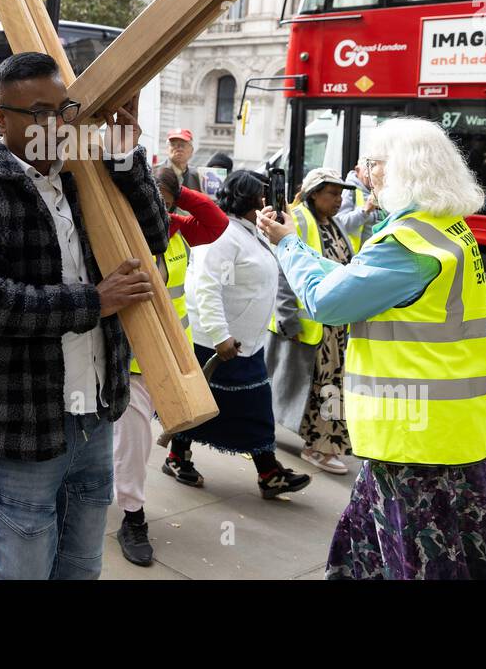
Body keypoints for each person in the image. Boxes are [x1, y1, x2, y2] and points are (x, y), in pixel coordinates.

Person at [0, 51, 167, 580]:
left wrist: (128, 159)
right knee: (21, 573)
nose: (57, 124)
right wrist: (93, 302)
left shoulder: (88, 177)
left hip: (95, 416)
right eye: (39, 112)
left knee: (80, 569)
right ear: (1, 119)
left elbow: (154, 236)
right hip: (21, 422)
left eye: (63, 109)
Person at [259, 117, 486, 580]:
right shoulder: (444, 228)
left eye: (372, 163)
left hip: (415, 439)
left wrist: (288, 249)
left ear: (403, 170)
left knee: (421, 562)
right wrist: (293, 242)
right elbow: (353, 281)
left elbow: (328, 302)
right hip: (450, 429)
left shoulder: (407, 244)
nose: (362, 172)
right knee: (405, 549)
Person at [166, 169, 312, 500]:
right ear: (247, 200)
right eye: (263, 196)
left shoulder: (251, 232)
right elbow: (204, 286)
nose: (269, 203)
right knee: (213, 405)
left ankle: (260, 470)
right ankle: (265, 471)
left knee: (233, 405)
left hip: (246, 341)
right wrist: (220, 335)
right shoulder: (223, 234)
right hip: (217, 342)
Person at [114, 165, 227, 566]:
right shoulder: (119, 228)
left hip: (168, 354)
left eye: (160, 201)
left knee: (139, 435)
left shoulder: (175, 226)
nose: (154, 209)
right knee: (133, 440)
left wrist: (175, 194)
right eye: (147, 199)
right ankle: (132, 514)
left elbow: (215, 223)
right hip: (128, 357)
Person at [284, 168, 355, 475]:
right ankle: (318, 448)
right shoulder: (298, 219)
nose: (339, 201)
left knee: (332, 384)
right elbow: (283, 268)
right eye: (333, 194)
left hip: (335, 324)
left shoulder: (333, 224)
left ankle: (327, 444)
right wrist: (288, 318)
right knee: (323, 387)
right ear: (314, 193)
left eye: (341, 195)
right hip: (313, 323)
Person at [337, 159, 384, 253]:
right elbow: (340, 225)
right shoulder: (349, 190)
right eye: (367, 170)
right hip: (355, 257)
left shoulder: (381, 192)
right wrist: (365, 211)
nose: (370, 175)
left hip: (377, 255)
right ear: (357, 170)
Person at [165, 128, 201, 192]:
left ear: (191, 150)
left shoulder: (197, 176)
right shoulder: (156, 173)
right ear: (167, 148)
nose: (179, 149)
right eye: (173, 145)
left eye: (182, 145)